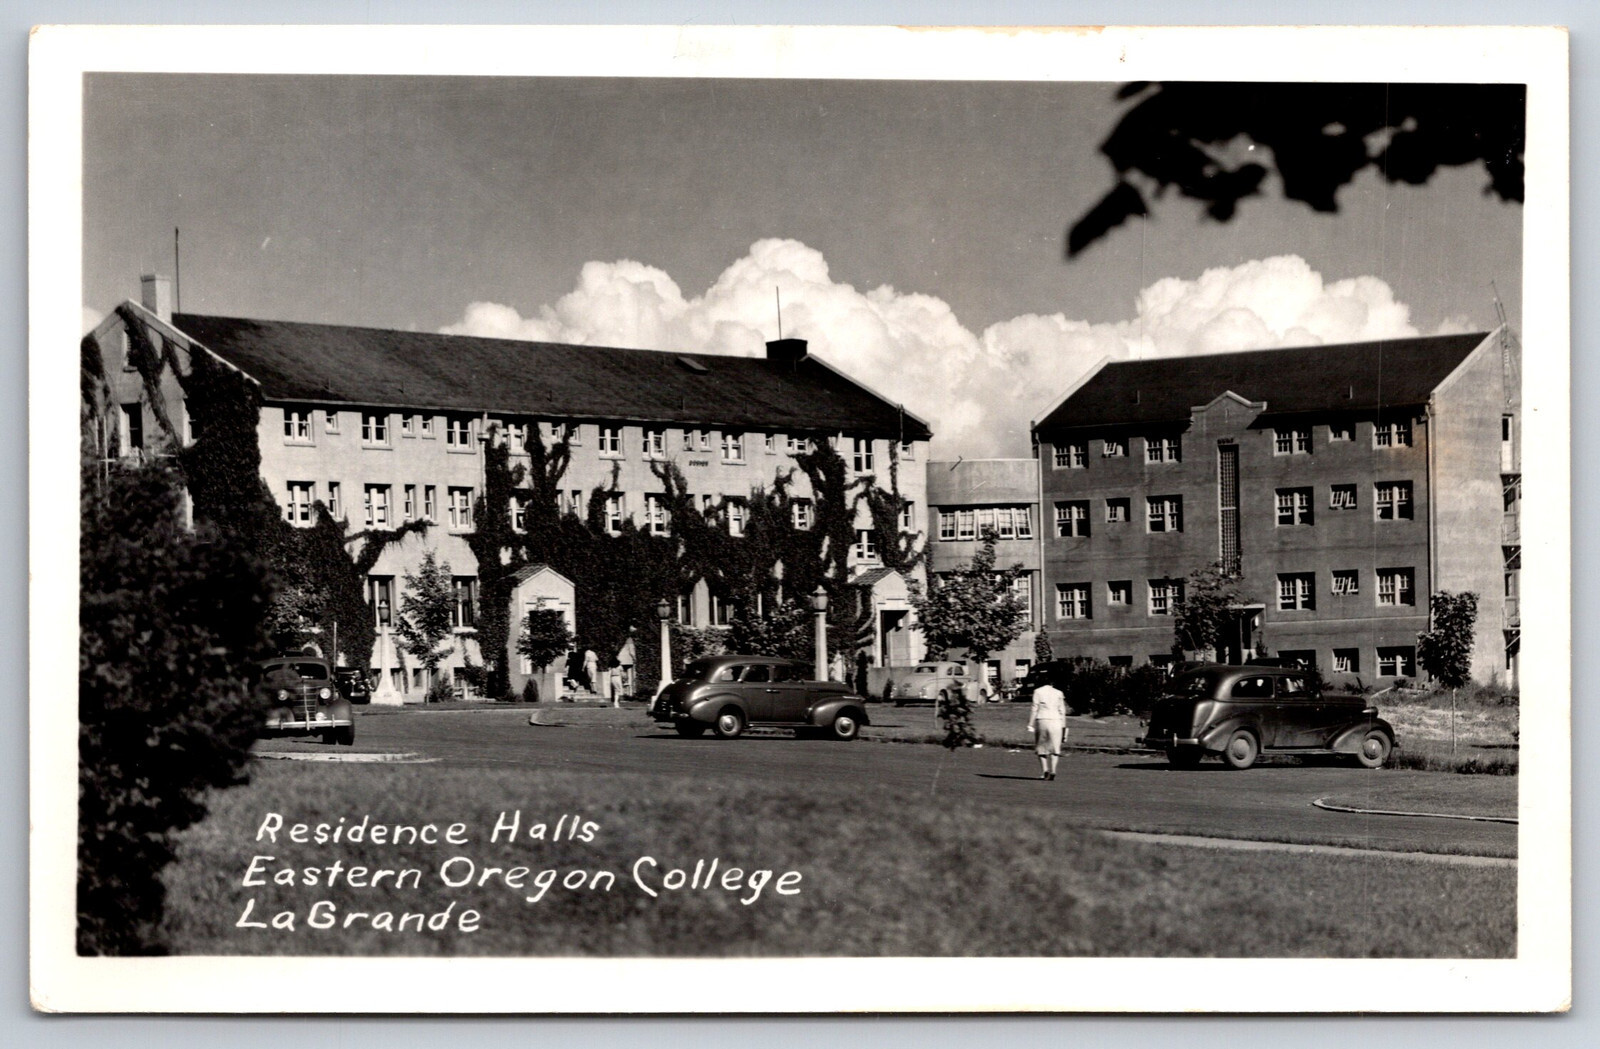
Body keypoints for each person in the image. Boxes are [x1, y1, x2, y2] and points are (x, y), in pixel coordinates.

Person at [1026, 679, 1068, 780]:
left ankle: (1045, 770)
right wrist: (1064, 727)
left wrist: (1030, 723)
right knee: (1055, 747)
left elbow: (1034, 708)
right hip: (1056, 720)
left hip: (1042, 719)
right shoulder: (1059, 693)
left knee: (1041, 747)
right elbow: (1062, 711)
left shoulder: (1037, 692)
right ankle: (1053, 770)